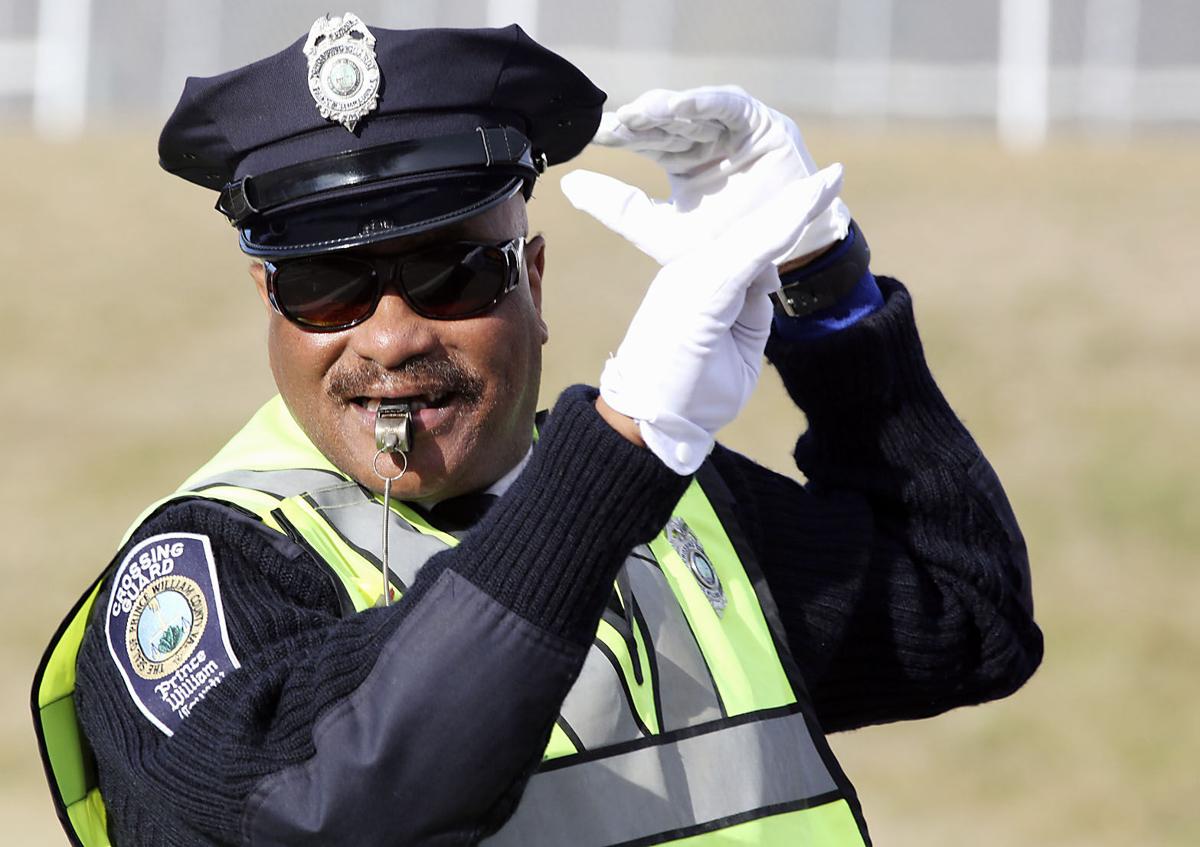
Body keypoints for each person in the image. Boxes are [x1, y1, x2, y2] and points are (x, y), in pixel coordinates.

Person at [32, 14, 1043, 847]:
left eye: (452, 273)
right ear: (269, 301)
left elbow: (972, 617)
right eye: (325, 288)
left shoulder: (672, 500)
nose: (389, 336)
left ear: (536, 282)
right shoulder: (201, 572)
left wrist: (820, 284)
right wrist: (620, 452)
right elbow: (325, 809)